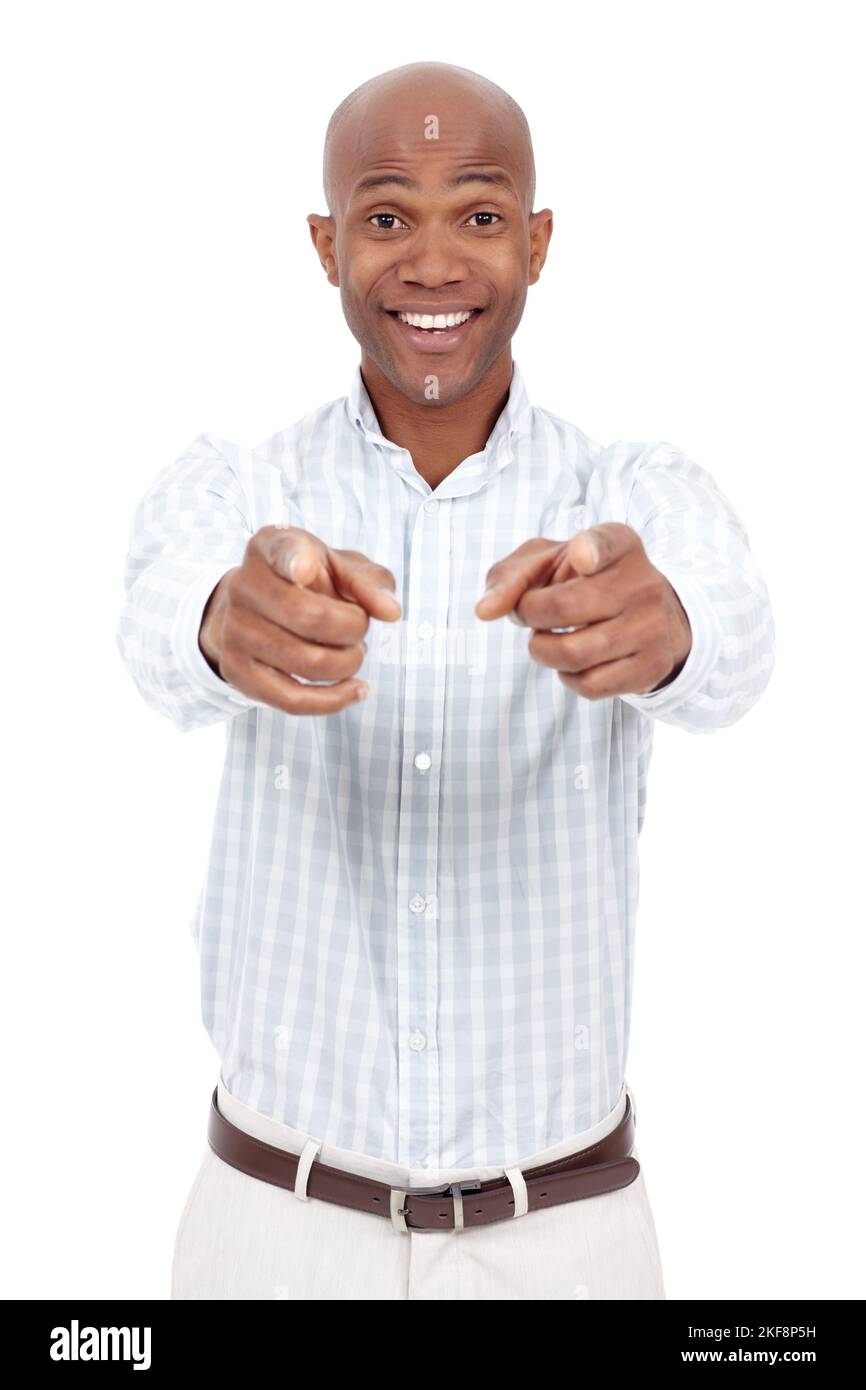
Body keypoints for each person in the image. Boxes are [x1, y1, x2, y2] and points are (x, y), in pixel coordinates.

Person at [115, 61, 775, 1301]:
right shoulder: (237, 490)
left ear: (534, 241)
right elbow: (157, 624)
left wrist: (667, 627)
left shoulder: (630, 493)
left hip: (566, 1240)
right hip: (274, 1231)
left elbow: (735, 640)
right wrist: (226, 618)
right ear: (323, 245)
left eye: (476, 214)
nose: (431, 264)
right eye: (384, 215)